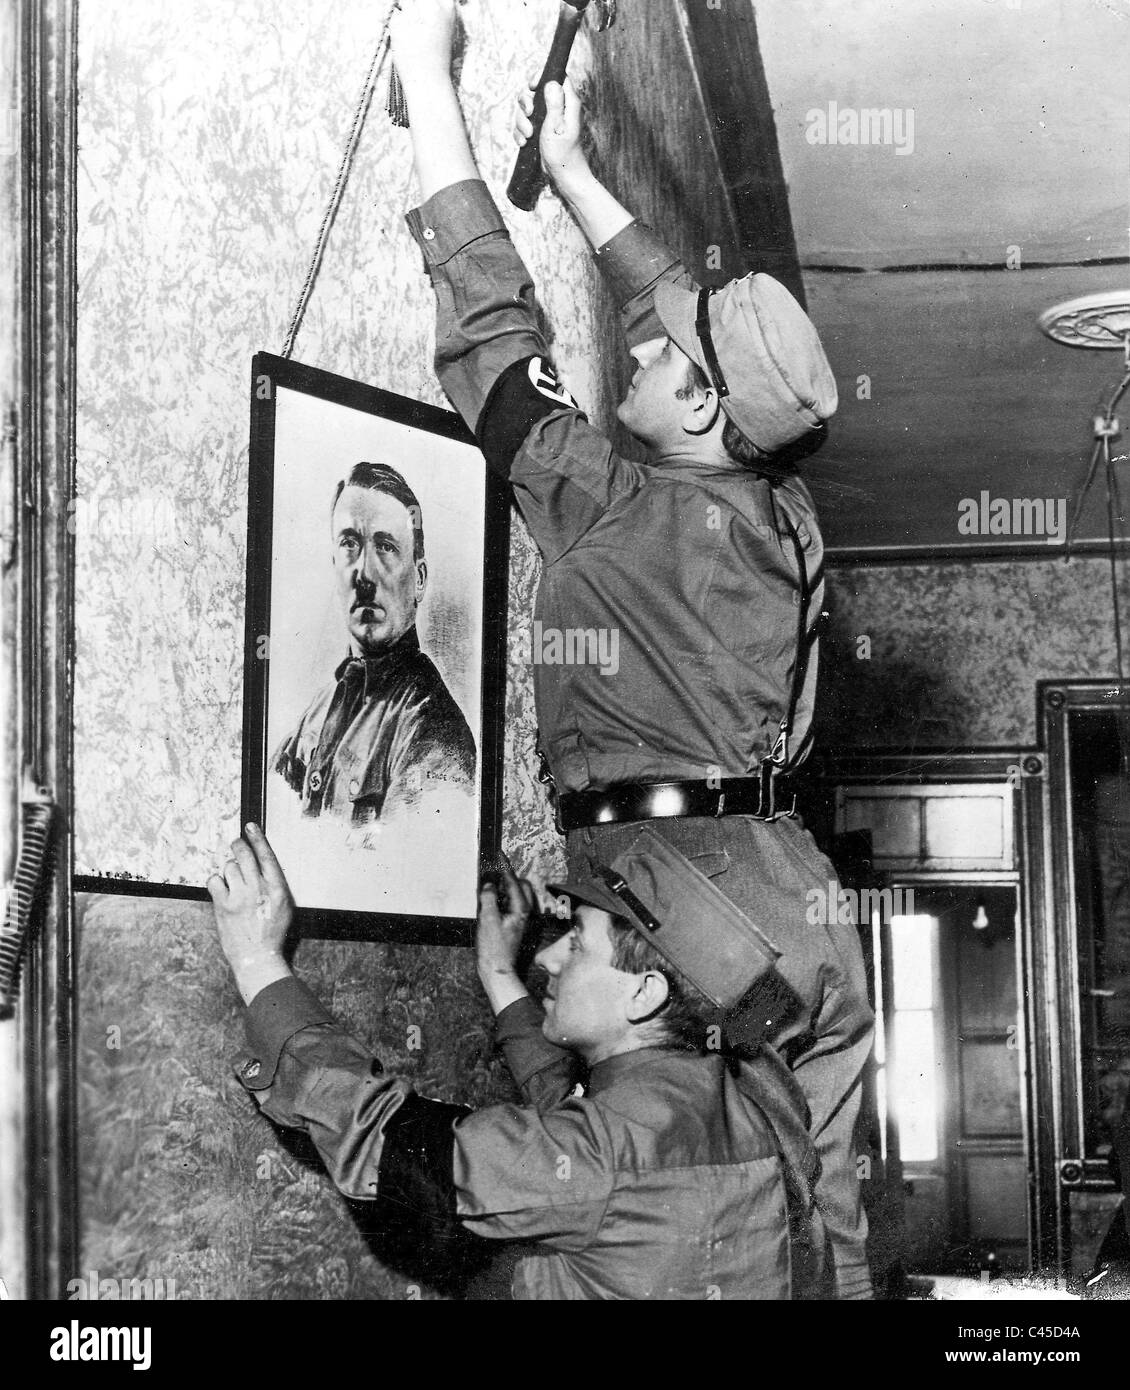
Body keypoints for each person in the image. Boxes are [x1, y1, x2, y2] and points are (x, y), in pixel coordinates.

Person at [389, 0, 873, 1296]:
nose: (642, 340)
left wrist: (425, 89)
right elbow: (673, 294)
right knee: (806, 1224)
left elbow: (494, 349)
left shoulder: (621, 509)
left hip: (700, 903)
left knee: (701, 1219)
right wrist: (574, 170)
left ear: (705, 406)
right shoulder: (775, 508)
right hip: (788, 905)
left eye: (661, 354)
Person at [210, 821, 830, 1300]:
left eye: (578, 943)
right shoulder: (753, 1110)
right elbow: (587, 1138)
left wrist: (258, 963)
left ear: (645, 995)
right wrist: (499, 973)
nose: (550, 958)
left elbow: (388, 1143)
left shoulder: (604, 1154)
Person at [272, 460, 475, 825]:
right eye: (349, 544)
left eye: (385, 547)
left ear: (419, 579)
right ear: (334, 564)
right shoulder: (315, 714)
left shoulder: (430, 726)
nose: (364, 574)